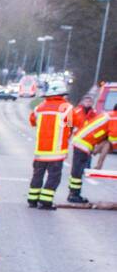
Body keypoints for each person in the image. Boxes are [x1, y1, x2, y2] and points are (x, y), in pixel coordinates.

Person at [28, 81, 74, 209]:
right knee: (54, 177)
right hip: (56, 152)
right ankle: (45, 201)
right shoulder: (67, 107)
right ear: (62, 94)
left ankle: (32, 199)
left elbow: (32, 122)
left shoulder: (39, 108)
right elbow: (70, 125)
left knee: (37, 175)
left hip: (40, 151)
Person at [66, 110, 111, 203]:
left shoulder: (93, 112)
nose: (89, 102)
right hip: (81, 140)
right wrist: (69, 132)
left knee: (80, 168)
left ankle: (73, 192)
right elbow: (69, 121)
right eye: (87, 100)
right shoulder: (75, 111)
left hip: (89, 142)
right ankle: (73, 194)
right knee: (77, 170)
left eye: (90, 101)